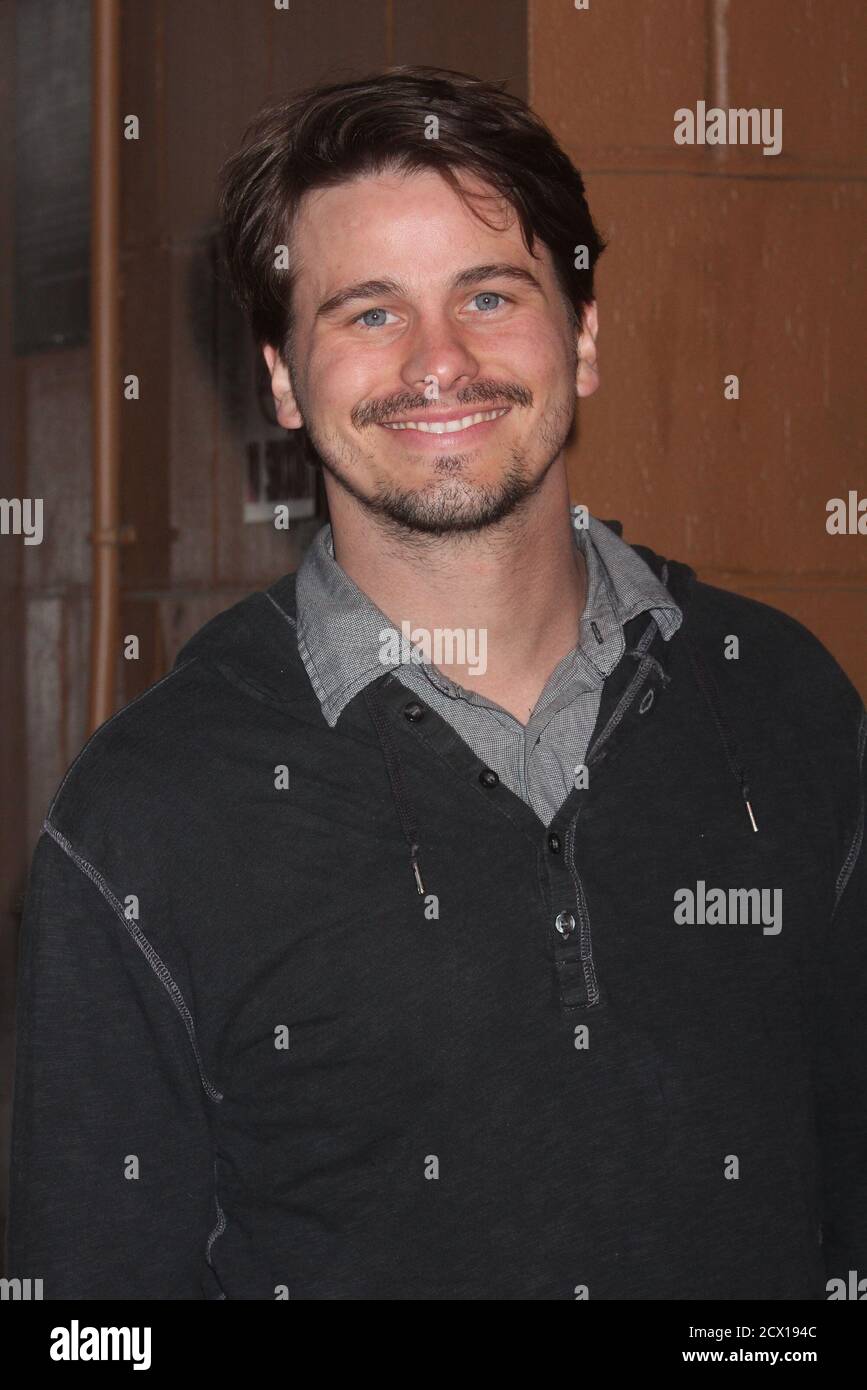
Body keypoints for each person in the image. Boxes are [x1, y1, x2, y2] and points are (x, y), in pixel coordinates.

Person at [6, 65, 865, 1301]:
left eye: (490, 293)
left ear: (582, 335)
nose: (438, 361)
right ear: (286, 383)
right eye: (368, 313)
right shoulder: (142, 817)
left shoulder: (788, 706)